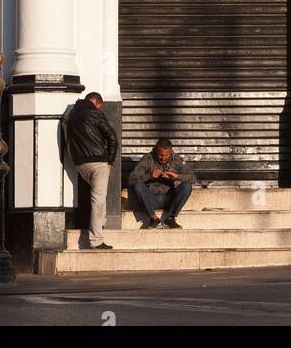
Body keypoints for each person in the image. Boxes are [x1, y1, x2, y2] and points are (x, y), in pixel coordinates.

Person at [64, 91, 118, 250]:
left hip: (80, 164)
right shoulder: (95, 113)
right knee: (98, 200)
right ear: (96, 102)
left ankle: (100, 223)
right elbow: (111, 135)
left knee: (98, 197)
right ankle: (96, 240)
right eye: (100, 106)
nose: (100, 109)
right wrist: (110, 158)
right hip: (98, 161)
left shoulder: (71, 114)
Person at [128, 138, 197, 229]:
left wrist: (177, 176)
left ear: (171, 151)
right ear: (156, 150)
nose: (163, 158)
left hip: (169, 199)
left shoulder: (177, 159)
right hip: (150, 199)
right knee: (138, 186)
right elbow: (131, 179)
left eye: (166, 155)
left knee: (187, 186)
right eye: (160, 155)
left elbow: (193, 178)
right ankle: (154, 219)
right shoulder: (147, 159)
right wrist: (149, 175)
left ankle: (170, 218)